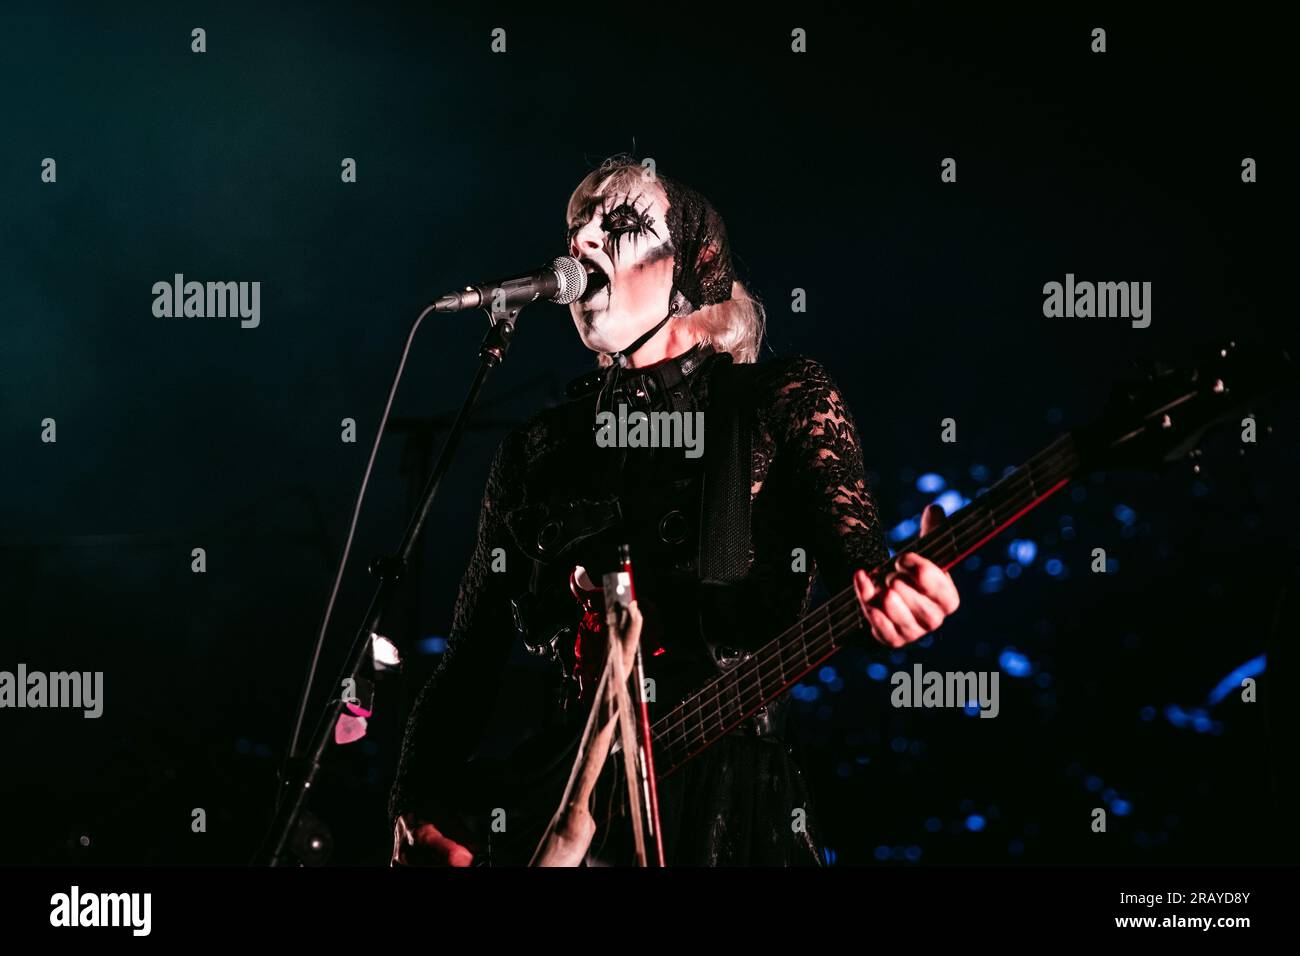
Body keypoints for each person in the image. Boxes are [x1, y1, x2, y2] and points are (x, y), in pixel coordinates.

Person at [389, 155, 960, 866]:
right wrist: (417, 807)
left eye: (619, 223)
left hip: (727, 815)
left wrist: (902, 601)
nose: (582, 242)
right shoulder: (538, 451)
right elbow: (466, 667)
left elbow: (863, 581)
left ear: (692, 269)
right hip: (557, 810)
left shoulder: (777, 403)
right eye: (577, 225)